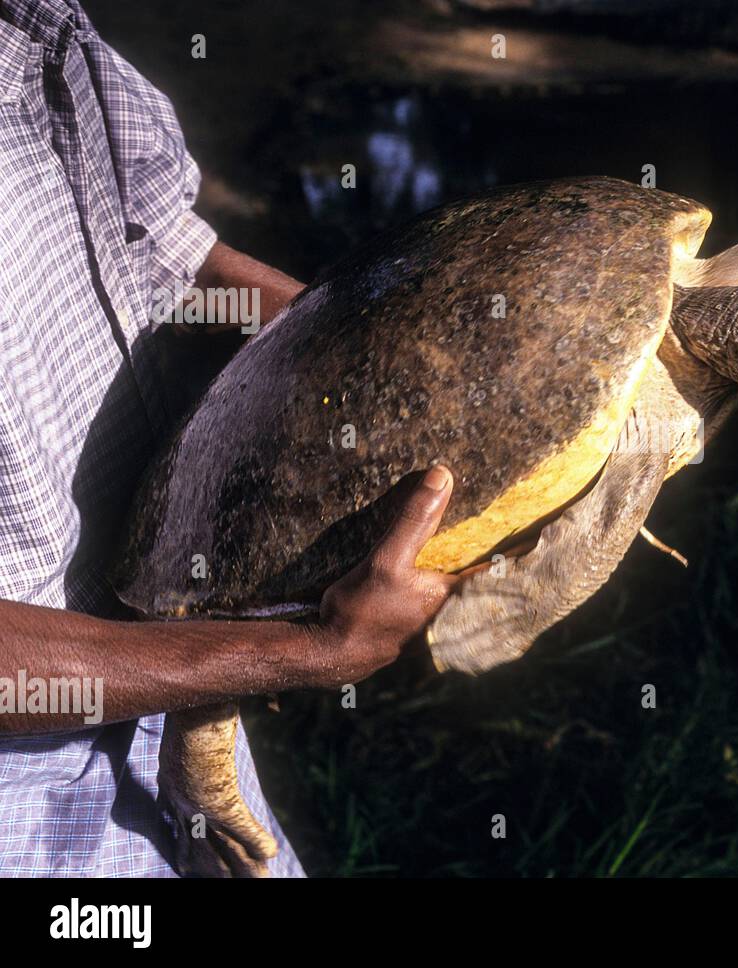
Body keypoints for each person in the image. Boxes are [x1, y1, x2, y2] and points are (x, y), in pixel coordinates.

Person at [0, 0, 458, 876]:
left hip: (170, 657)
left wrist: (335, 349)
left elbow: (176, 279)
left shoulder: (30, 29)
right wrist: (302, 651)